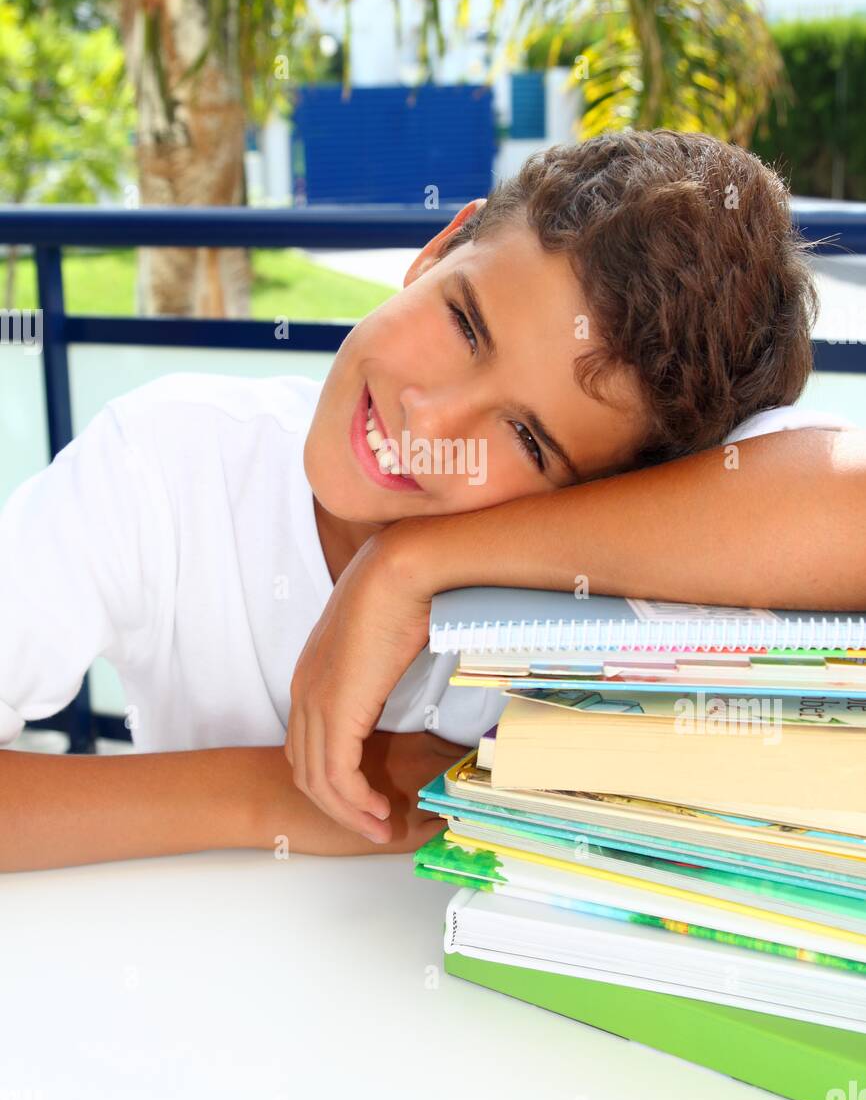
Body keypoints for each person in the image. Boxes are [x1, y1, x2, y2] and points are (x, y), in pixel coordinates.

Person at [1, 130, 862, 872]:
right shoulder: (167, 463)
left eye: (528, 441)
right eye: (466, 325)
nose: (429, 417)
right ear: (440, 249)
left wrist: (410, 565)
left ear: (612, 499)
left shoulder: (600, 575)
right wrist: (266, 797)